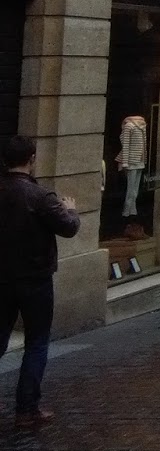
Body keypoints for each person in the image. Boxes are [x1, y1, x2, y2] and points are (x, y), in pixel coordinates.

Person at [1, 134, 81, 430]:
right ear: (32, 160)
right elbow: (69, 228)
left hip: (2, 279)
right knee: (36, 342)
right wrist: (70, 209)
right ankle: (27, 409)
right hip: (34, 279)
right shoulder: (40, 196)